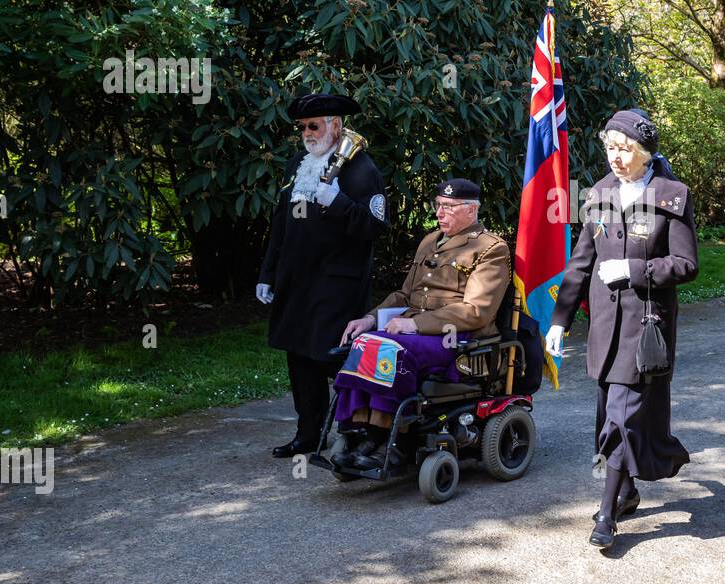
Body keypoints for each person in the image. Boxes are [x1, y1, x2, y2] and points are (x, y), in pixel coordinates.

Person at [545, 110, 698, 551]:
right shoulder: (597, 193)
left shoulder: (673, 196)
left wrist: (634, 269)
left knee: (623, 415)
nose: (614, 156)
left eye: (624, 148)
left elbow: (686, 265)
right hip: (604, 329)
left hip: (645, 328)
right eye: (609, 147)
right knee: (607, 418)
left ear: (645, 151)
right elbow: (580, 264)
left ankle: (607, 514)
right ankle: (628, 489)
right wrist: (560, 320)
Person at [334, 179, 511, 470]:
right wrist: (368, 318)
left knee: (389, 349)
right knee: (365, 341)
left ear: (471, 210)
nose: (440, 213)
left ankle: (390, 440)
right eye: (438, 205)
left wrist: (415, 326)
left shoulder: (491, 248)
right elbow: (405, 295)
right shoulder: (430, 241)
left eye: (449, 207)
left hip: (456, 337)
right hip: (417, 331)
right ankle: (363, 430)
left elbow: (476, 311)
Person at [258, 90, 389, 458]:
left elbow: (376, 225)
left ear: (335, 125)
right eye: (302, 127)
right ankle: (309, 434)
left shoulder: (362, 168)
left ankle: (360, 429)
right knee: (299, 358)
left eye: (313, 126)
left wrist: (340, 204)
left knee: (330, 356)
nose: (307, 133)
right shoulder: (297, 164)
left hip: (337, 284)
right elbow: (281, 225)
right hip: (296, 282)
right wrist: (267, 274)